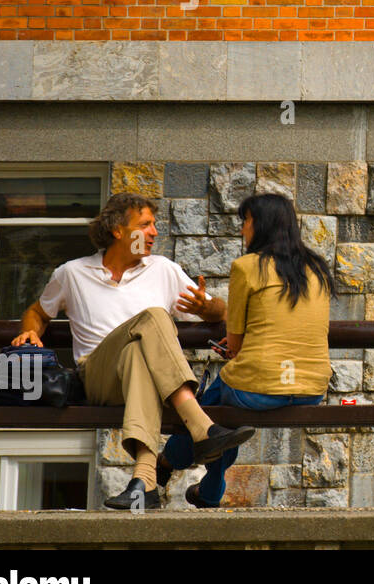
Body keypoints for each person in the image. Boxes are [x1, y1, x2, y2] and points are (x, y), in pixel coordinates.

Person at [14, 192, 255, 510]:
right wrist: (29, 331)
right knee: (154, 316)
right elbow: (38, 311)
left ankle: (144, 482)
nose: (155, 231)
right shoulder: (72, 273)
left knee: (135, 356)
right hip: (97, 378)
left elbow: (219, 312)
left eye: (154, 224)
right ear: (118, 230)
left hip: (143, 379)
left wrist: (207, 306)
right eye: (145, 224)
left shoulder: (163, 270)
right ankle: (200, 425)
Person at [160, 192, 333, 508]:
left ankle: (170, 461)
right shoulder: (317, 268)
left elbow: (235, 345)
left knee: (208, 409)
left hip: (259, 391)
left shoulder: (246, 267)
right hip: (312, 389)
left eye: (246, 221)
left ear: (262, 224)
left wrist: (241, 347)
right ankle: (209, 490)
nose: (242, 229)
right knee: (222, 421)